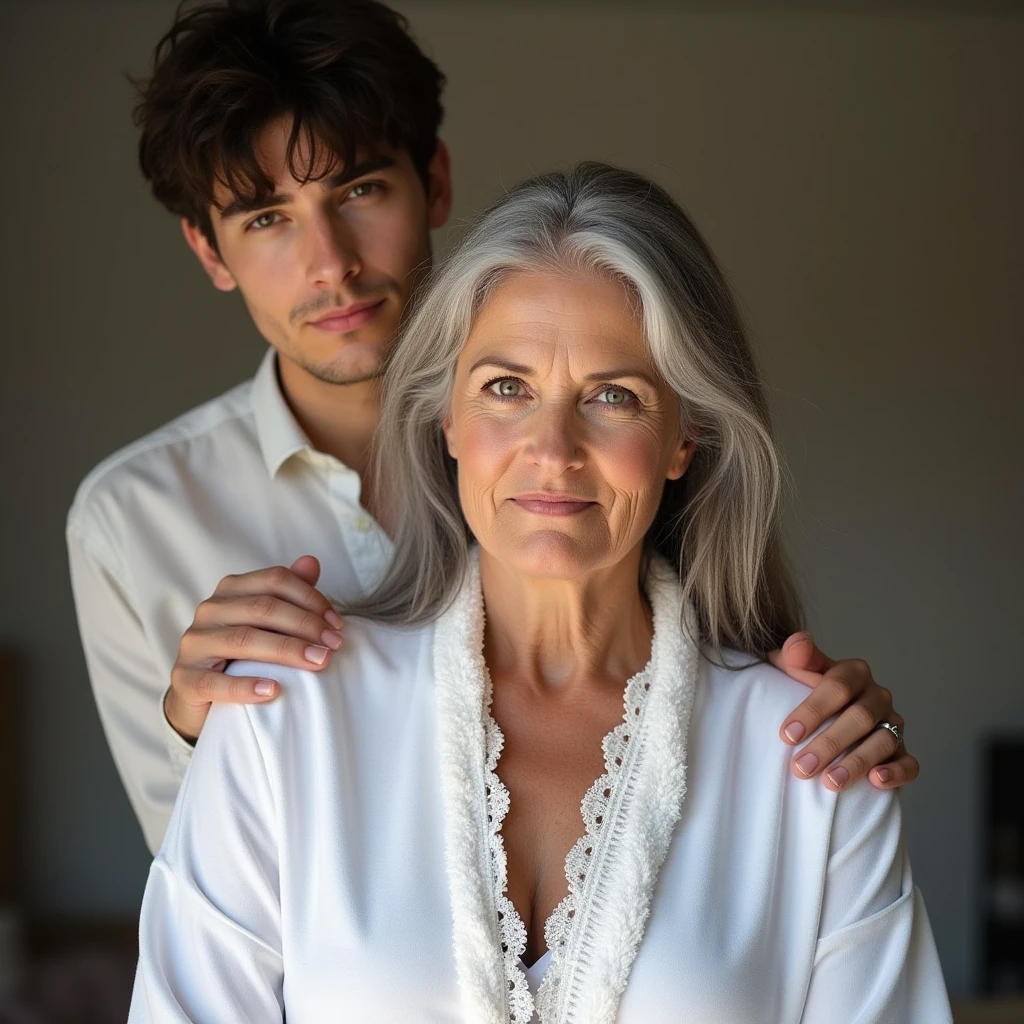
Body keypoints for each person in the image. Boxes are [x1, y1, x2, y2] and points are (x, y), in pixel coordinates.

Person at [68, 0, 915, 860]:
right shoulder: (129, 520)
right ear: (210, 252)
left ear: (433, 179)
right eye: (266, 219)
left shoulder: (599, 471)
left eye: (359, 190)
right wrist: (194, 727)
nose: (331, 263)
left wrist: (826, 722)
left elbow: (733, 694)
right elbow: (192, 886)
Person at [127, 162, 951, 1023]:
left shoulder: (813, 762)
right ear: (447, 416)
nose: (552, 449)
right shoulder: (281, 713)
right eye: (507, 388)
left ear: (685, 435)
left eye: (613, 395)